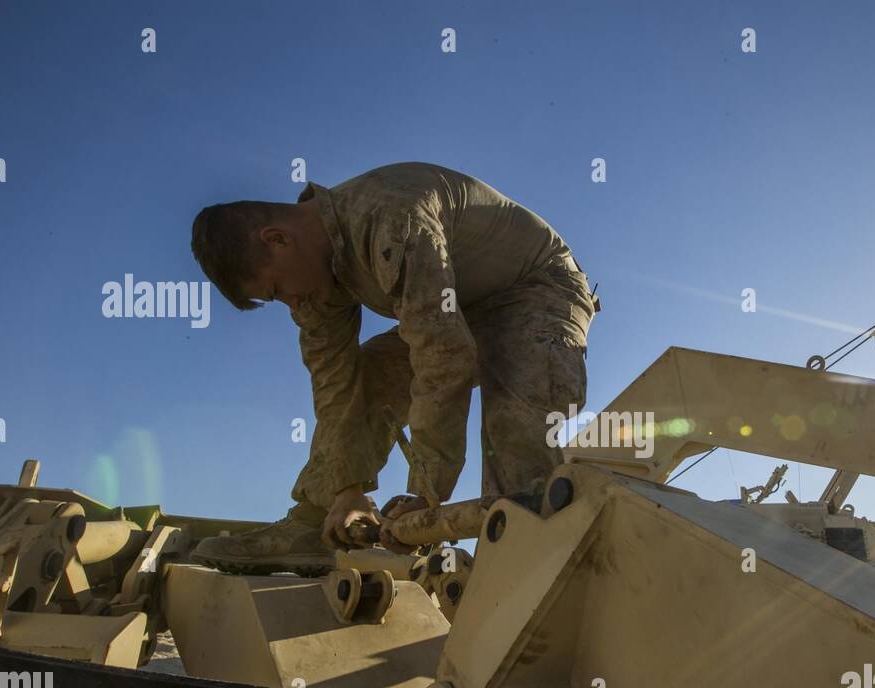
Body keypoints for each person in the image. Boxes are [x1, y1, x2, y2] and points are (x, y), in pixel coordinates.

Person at [186, 162, 599, 573]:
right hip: (462, 307)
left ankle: (540, 561)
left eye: (278, 291)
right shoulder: (316, 283)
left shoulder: (389, 217)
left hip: (538, 291)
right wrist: (346, 491)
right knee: (369, 377)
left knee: (515, 437)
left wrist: (426, 496)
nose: (291, 303)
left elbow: (443, 356)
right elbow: (336, 386)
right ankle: (313, 527)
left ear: (277, 239)